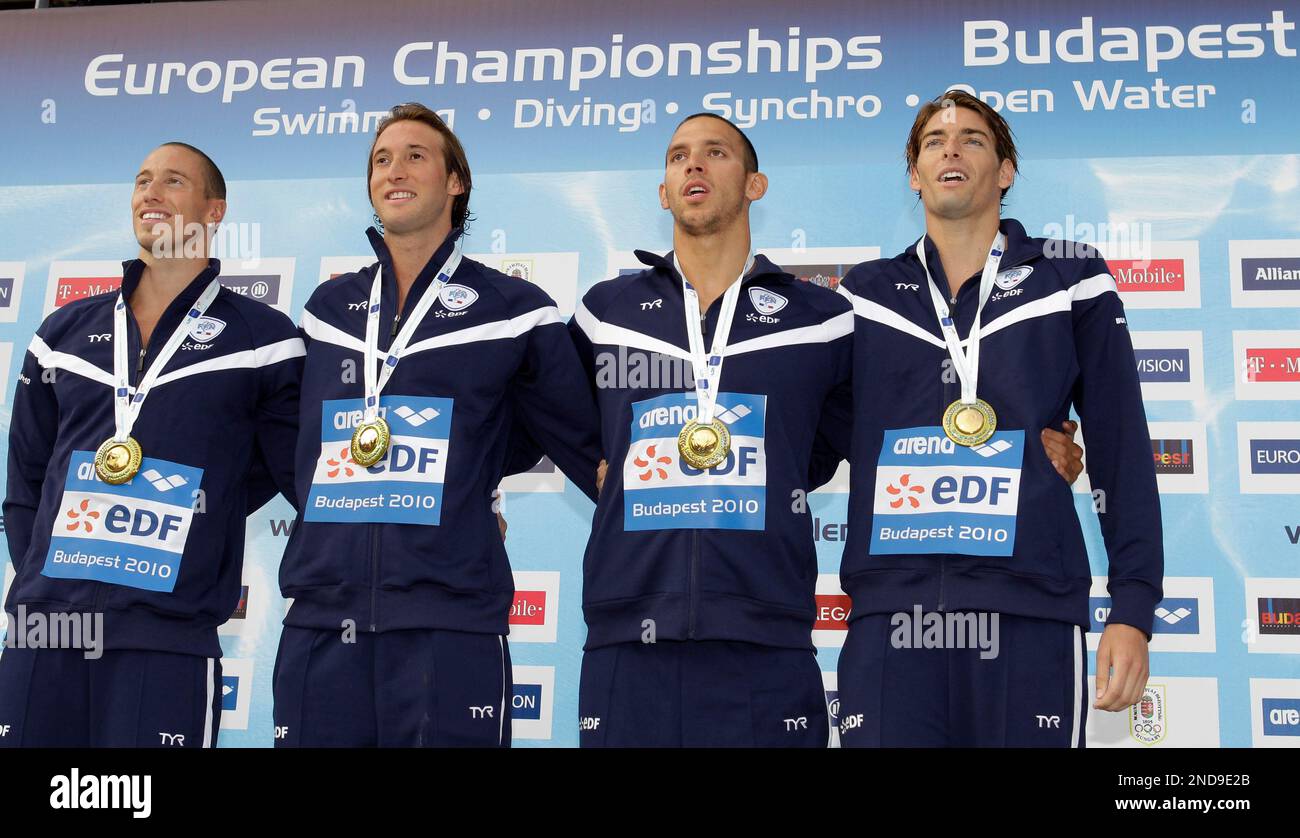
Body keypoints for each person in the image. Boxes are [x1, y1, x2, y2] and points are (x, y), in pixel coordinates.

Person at [566, 113, 1085, 747]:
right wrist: (597, 465)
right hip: (628, 628)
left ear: (757, 184)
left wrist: (1036, 441)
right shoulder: (604, 312)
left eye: (715, 152)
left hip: (767, 634)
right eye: (678, 157)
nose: (693, 165)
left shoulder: (822, 318)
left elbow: (882, 416)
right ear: (662, 192)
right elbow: (545, 411)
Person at [832, 90, 1163, 747]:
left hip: (1028, 605)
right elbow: (806, 434)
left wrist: (1133, 608)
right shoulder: (861, 296)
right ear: (914, 174)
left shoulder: (1070, 278)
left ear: (1005, 170)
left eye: (972, 139)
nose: (950, 149)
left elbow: (1122, 445)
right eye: (933, 141)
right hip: (892, 612)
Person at [273, 103, 601, 747]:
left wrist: (463, 496)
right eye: (381, 159)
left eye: (415, 155)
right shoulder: (327, 309)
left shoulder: (514, 310)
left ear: (456, 182)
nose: (394, 170)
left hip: (449, 621)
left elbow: (579, 442)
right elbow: (292, 446)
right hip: (320, 619)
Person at [0, 142, 302, 747]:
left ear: (214, 211)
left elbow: (281, 468)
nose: (151, 193)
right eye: (142, 181)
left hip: (166, 634)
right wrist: (38, 590)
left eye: (172, 181)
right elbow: (28, 479)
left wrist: (200, 518)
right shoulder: (63, 332)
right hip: (47, 631)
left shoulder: (262, 339)